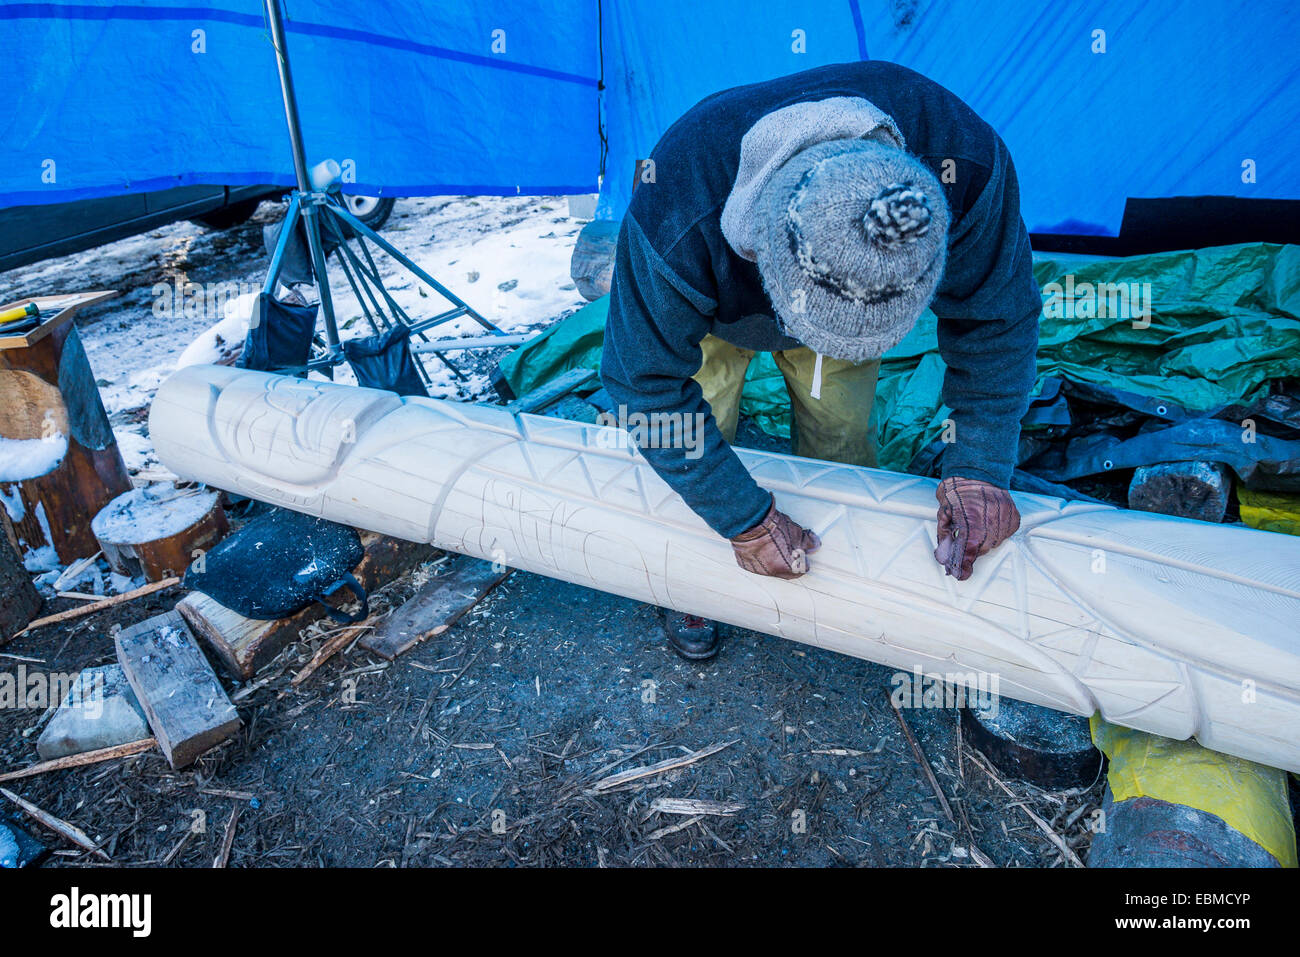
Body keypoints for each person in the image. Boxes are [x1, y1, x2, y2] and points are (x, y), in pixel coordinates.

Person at [601, 61, 1039, 661]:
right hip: (714, 310)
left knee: (840, 435)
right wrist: (743, 518)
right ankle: (693, 577)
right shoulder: (678, 206)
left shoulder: (965, 165)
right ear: (761, 247)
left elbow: (999, 321)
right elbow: (644, 387)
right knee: (706, 422)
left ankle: (840, 580)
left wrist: (981, 468)